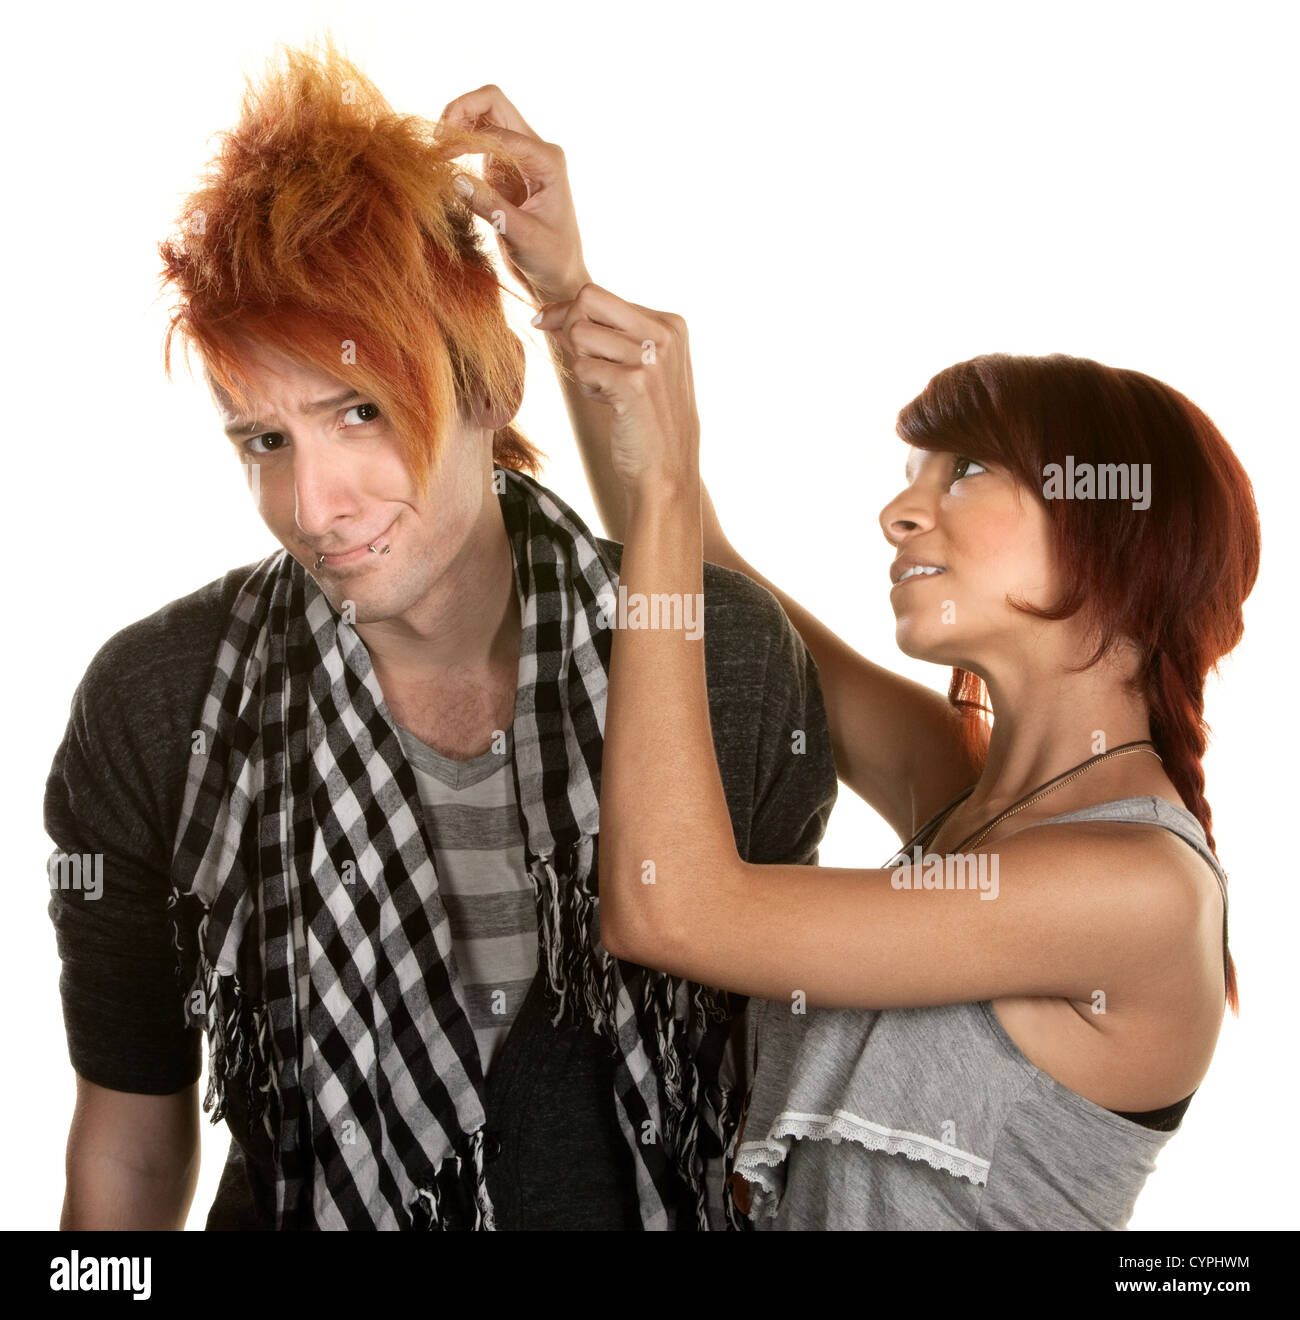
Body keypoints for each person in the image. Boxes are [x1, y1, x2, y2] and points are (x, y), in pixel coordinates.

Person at [42, 41, 837, 1230]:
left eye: (358, 412)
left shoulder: (721, 665)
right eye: (265, 441)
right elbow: (130, 1154)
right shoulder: (161, 701)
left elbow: (788, 1111)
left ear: (489, 382)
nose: (314, 509)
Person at [494, 131, 1258, 1229]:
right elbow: (707, 581)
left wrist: (668, 484)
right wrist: (565, 298)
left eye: (971, 472)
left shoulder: (1136, 890)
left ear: (1117, 527)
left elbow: (671, 907)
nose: (900, 512)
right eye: (915, 477)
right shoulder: (972, 794)